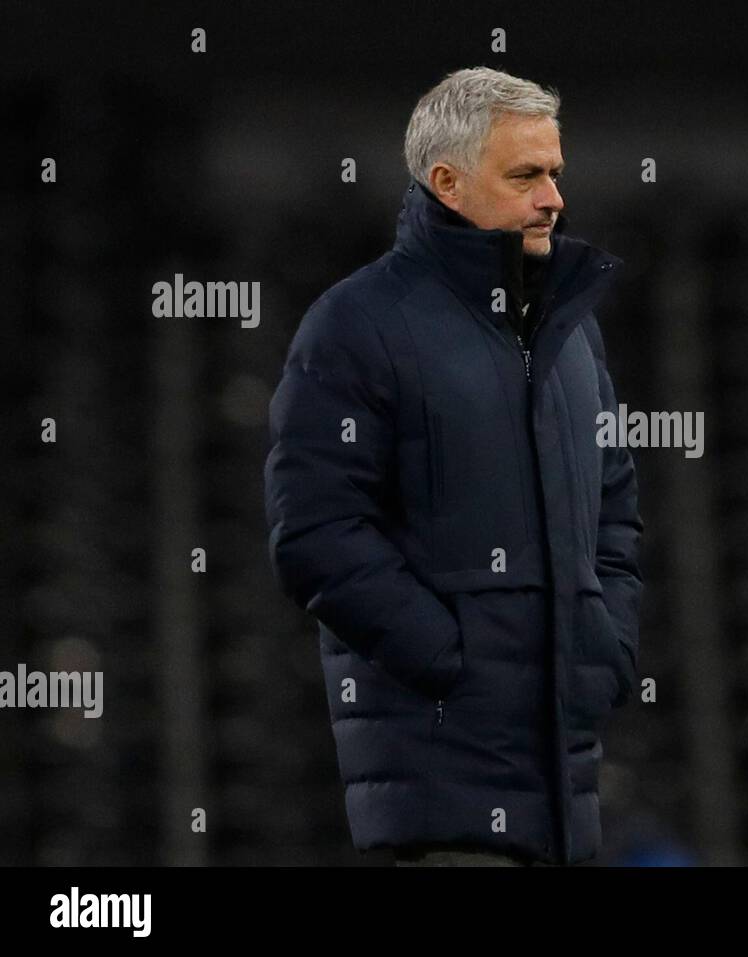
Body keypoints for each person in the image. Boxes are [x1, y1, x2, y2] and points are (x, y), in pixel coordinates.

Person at [263, 66, 644, 866]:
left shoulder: (571, 333)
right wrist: (458, 662)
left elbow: (615, 513)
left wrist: (600, 648)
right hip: (439, 809)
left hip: (568, 815)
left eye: (555, 173)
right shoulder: (357, 325)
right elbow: (317, 533)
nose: (554, 200)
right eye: (526, 175)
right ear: (448, 182)